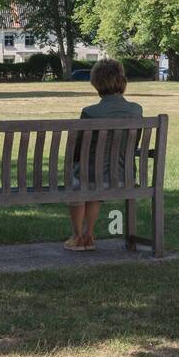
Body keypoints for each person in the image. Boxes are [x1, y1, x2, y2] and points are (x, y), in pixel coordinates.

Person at [65, 59, 143, 251]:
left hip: (92, 177)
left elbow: (78, 150)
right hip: (124, 177)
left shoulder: (90, 113)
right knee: (92, 180)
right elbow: (134, 145)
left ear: (96, 83)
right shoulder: (136, 110)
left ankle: (77, 236)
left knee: (79, 182)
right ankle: (89, 234)